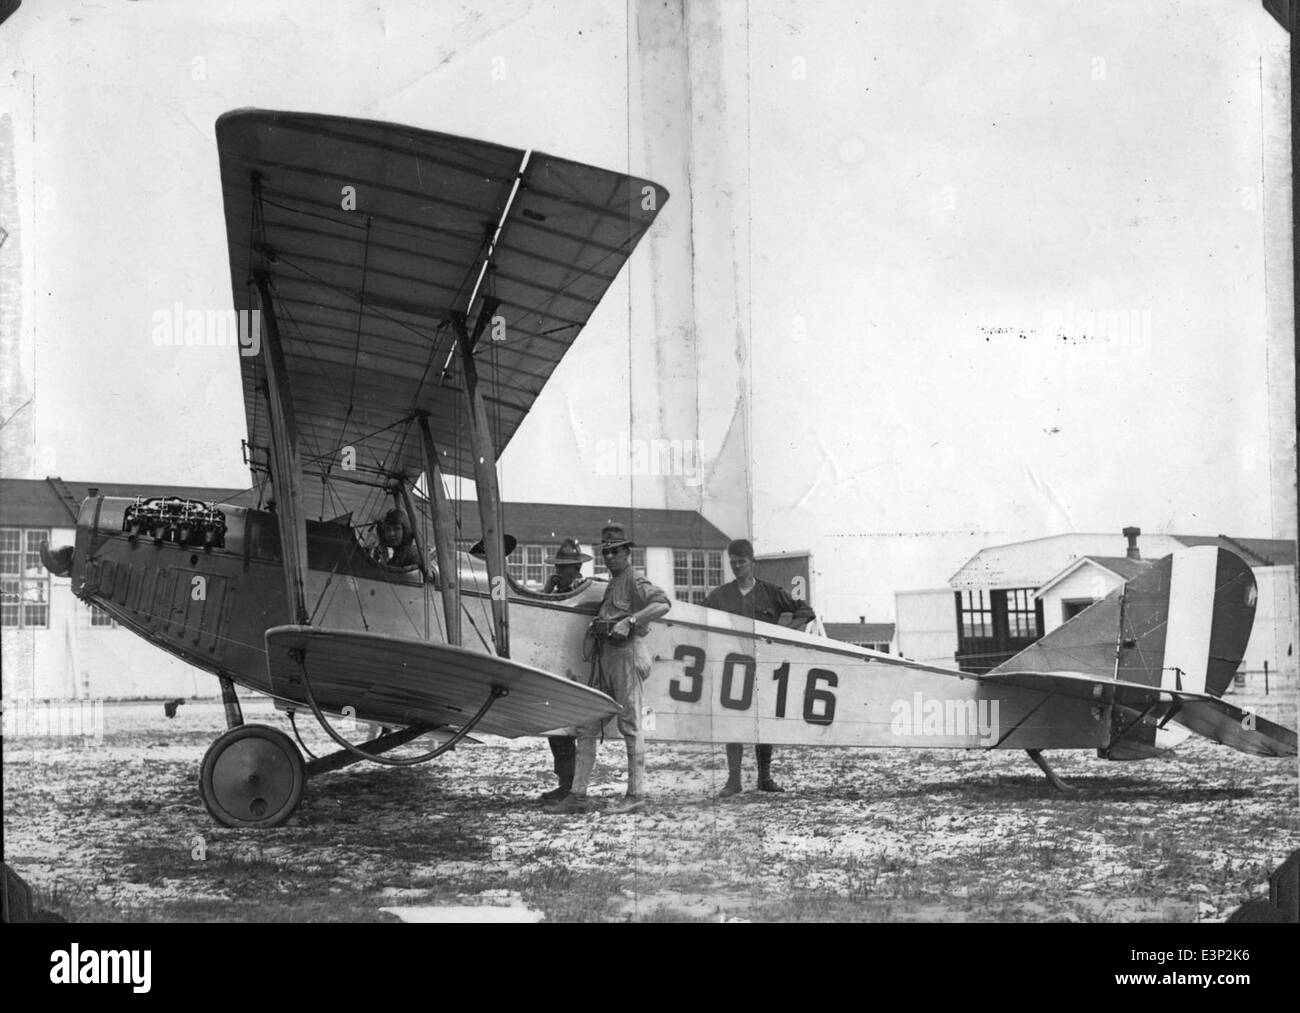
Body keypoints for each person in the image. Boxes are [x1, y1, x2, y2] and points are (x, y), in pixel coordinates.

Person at [547, 524, 670, 815]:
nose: (610, 556)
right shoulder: (614, 582)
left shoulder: (633, 579)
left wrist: (630, 621)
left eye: (616, 551)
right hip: (606, 658)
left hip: (626, 655)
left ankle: (636, 794)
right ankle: (577, 795)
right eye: (606, 551)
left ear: (628, 552)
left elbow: (662, 603)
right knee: (586, 724)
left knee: (630, 725)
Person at [704, 538, 816, 797]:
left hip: (764, 666)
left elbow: (806, 611)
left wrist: (783, 633)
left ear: (752, 563)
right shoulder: (721, 595)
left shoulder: (770, 592)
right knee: (733, 722)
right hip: (731, 667)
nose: (737, 567)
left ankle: (764, 778)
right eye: (733, 562)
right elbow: (699, 616)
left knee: (763, 721)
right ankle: (734, 781)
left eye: (742, 562)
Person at [538, 538, 592, 803]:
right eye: (560, 565)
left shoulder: (582, 588)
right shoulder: (557, 588)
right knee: (557, 730)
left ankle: (572, 786)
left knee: (570, 729)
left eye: (568, 566)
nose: (563, 570)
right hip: (559, 663)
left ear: (578, 568)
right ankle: (565, 782)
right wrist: (549, 588)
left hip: (577, 665)